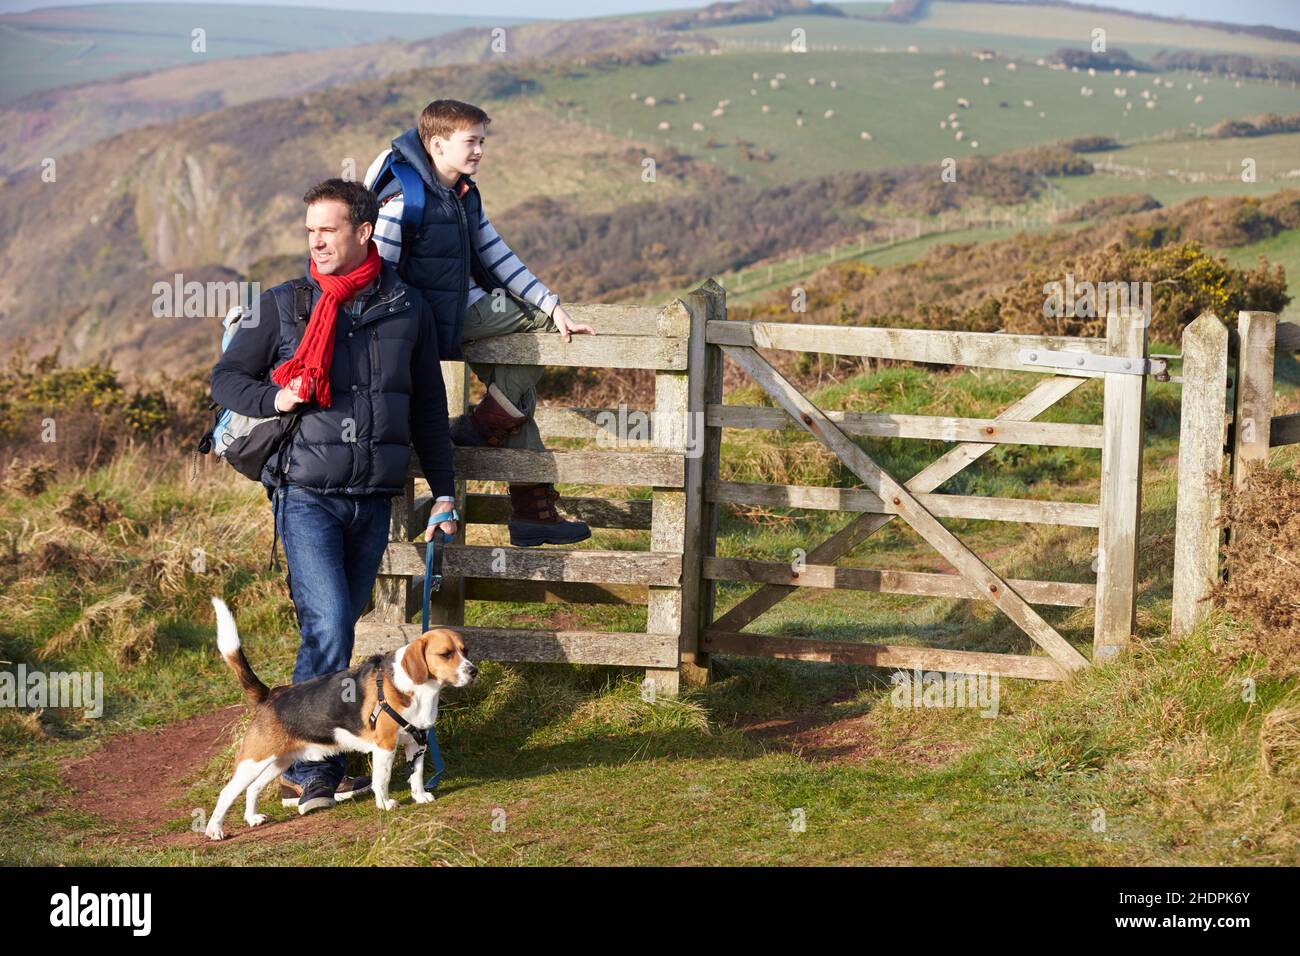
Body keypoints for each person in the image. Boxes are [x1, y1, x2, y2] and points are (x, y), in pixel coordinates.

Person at [210, 178, 459, 815]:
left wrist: (444, 495)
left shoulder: (407, 306)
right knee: (326, 624)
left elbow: (429, 407)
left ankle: (313, 747)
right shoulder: (286, 304)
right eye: (309, 232)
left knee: (342, 623)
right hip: (305, 492)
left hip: (373, 495)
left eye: (328, 230)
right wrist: (276, 398)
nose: (316, 242)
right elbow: (226, 379)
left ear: (364, 232)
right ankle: (311, 774)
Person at [364, 98, 595, 547]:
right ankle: (479, 429)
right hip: (445, 317)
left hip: (464, 310)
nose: (480, 151)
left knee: (515, 407)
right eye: (471, 141)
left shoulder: (462, 194)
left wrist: (551, 302)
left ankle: (533, 516)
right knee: (540, 333)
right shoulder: (401, 202)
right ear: (436, 144)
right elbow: (378, 273)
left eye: (482, 141)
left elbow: (497, 254)